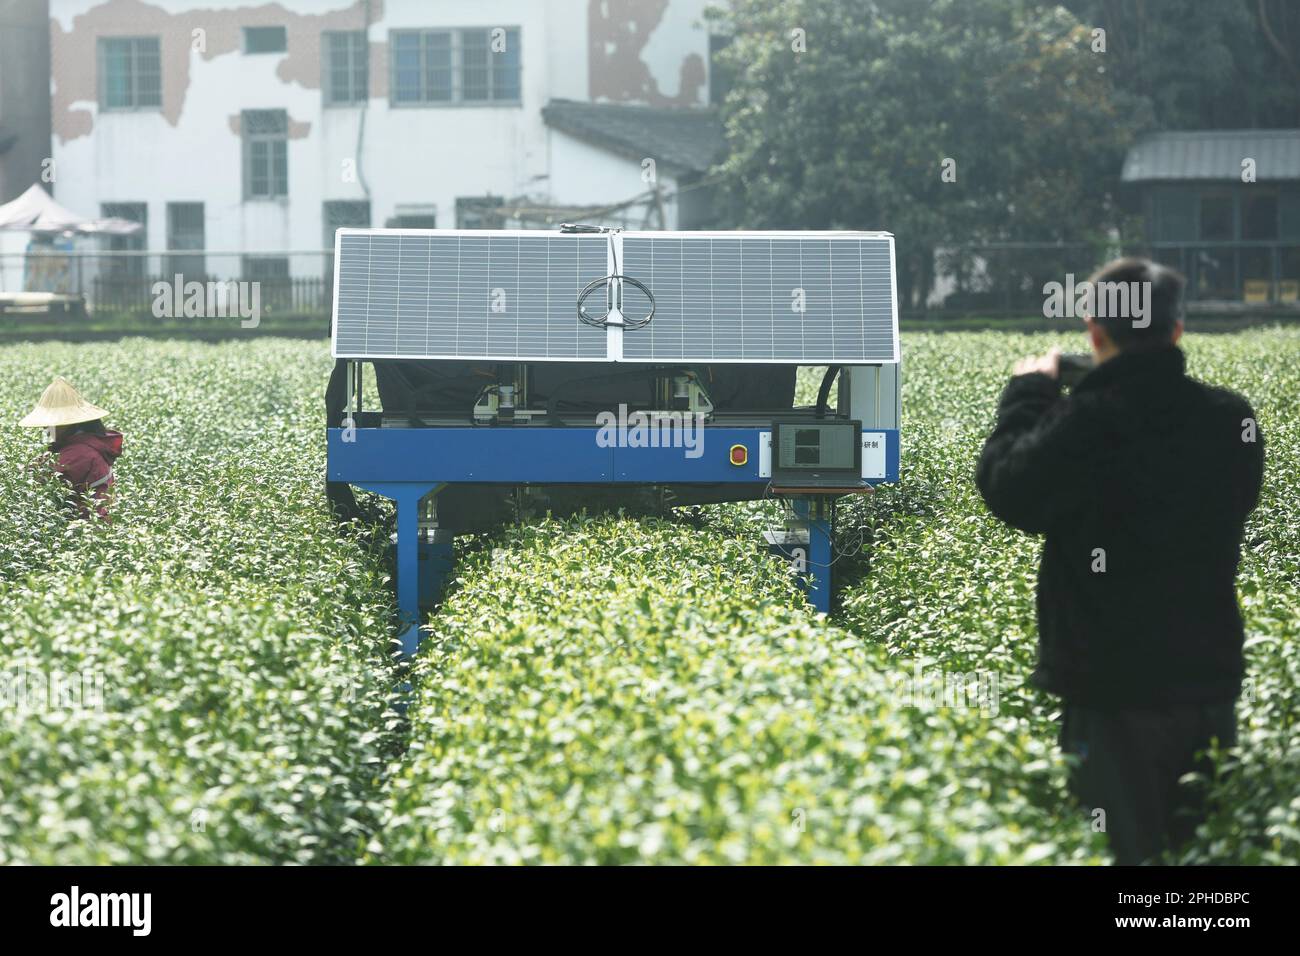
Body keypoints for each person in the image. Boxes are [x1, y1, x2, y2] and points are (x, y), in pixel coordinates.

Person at [976, 258, 1265, 864]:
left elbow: (1008, 489)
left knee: (1123, 858)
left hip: (1111, 689)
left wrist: (1031, 394)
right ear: (1177, 330)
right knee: (1206, 859)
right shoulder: (1230, 418)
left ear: (1094, 331)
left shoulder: (1087, 420)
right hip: (1206, 681)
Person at [19, 376, 123, 521]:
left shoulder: (79, 453)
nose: (45, 427)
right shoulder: (87, 443)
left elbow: (35, 483)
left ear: (67, 422)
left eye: (50, 422)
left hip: (88, 533)